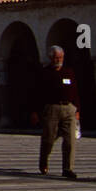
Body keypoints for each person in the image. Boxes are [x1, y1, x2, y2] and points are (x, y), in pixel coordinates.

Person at [33, 45, 80, 179]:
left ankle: (68, 168)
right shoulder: (44, 73)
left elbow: (75, 92)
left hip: (69, 108)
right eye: (55, 58)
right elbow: (36, 94)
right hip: (51, 109)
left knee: (70, 140)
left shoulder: (68, 72)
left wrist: (77, 109)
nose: (58, 60)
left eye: (60, 57)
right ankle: (44, 161)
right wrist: (36, 111)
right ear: (50, 58)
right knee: (49, 139)